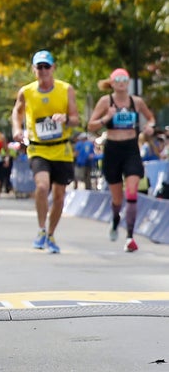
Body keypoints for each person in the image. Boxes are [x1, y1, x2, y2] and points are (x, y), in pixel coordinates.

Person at [10, 50, 79, 254]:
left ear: (53, 68)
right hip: (38, 148)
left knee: (59, 196)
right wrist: (16, 129)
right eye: (39, 67)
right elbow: (17, 111)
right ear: (33, 70)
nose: (42, 71)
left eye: (46, 66)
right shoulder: (27, 91)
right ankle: (41, 230)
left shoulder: (66, 89)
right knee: (42, 187)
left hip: (61, 149)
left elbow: (76, 119)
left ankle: (51, 233)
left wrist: (65, 118)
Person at [87, 67, 157, 252]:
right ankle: (116, 218)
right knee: (117, 199)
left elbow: (150, 118)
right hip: (112, 150)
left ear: (128, 83)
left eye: (124, 79)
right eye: (116, 79)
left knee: (132, 192)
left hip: (131, 149)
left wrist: (150, 126)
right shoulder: (105, 101)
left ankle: (130, 237)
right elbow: (90, 125)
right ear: (111, 82)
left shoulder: (137, 101)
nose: (120, 82)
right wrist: (106, 118)